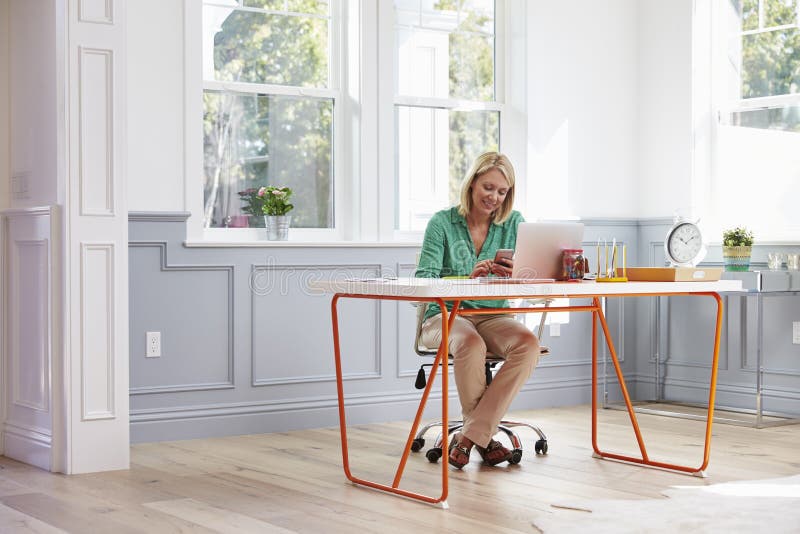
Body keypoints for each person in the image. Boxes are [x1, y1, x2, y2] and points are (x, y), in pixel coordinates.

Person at [415, 151, 541, 469]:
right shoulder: (442, 222)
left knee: (528, 345)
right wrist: (466, 278)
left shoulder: (514, 223)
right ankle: (483, 437)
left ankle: (469, 438)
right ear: (472, 183)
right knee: (470, 343)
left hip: (494, 315)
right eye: (488, 187)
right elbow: (423, 280)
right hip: (445, 315)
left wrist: (517, 274)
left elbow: (530, 277)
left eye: (502, 192)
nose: (494, 197)